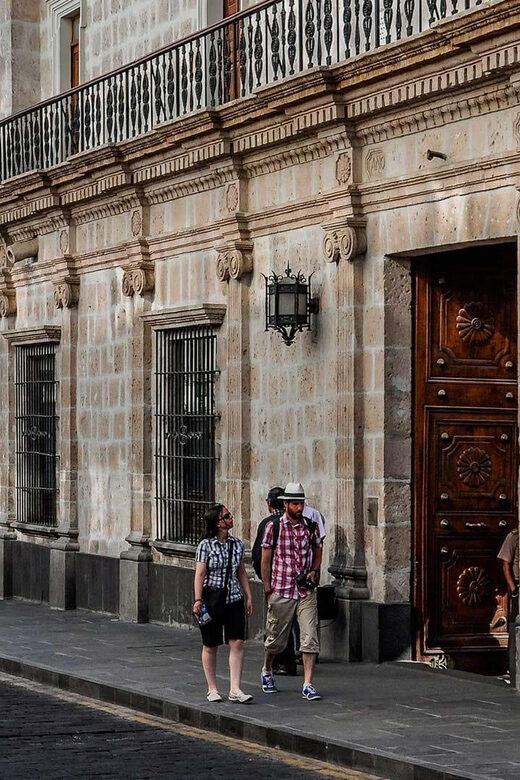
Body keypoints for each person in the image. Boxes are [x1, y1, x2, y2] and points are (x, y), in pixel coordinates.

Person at [260, 482, 323, 701]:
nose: (298, 508)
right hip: (282, 589)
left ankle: (308, 683)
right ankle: (267, 669)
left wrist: (315, 570)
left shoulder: (310, 525)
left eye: (301, 503)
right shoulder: (273, 527)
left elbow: (318, 548)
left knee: (309, 637)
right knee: (276, 638)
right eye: (294, 504)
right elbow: (266, 559)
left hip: (306, 590)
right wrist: (267, 587)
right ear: (285, 504)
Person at [193, 504, 253, 704]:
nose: (231, 518)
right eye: (227, 516)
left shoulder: (237, 544)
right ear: (218, 522)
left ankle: (235, 688)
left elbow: (241, 571)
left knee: (237, 642)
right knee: (210, 644)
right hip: (212, 598)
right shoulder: (206, 545)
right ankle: (212, 688)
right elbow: (200, 574)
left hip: (234, 598)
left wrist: (249, 596)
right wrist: (198, 599)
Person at [497, 528, 519, 678]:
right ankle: (512, 668)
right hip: (519, 585)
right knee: (515, 626)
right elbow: (506, 564)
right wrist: (513, 588)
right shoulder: (514, 536)